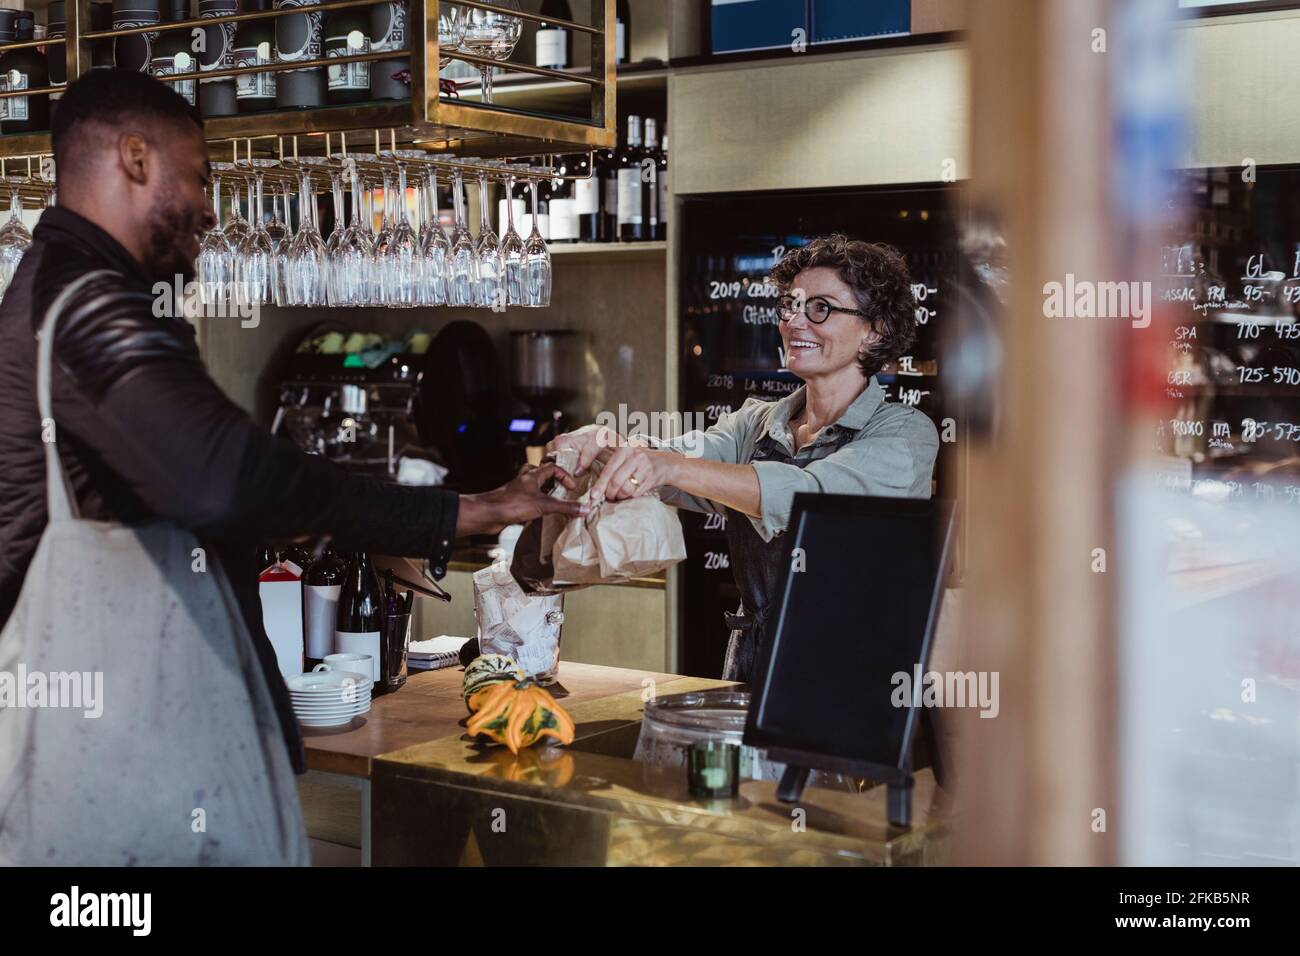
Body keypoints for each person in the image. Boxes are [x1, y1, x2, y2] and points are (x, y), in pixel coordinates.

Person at [0, 70, 585, 777]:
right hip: (126, 744)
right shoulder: (91, 307)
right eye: (200, 177)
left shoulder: (62, 290)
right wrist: (465, 510)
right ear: (135, 158)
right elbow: (227, 479)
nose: (210, 212)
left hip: (113, 721)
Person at [551, 235, 939, 681]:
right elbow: (672, 463)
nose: (795, 321)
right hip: (751, 666)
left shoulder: (905, 435)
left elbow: (807, 498)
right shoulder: (755, 423)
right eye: (790, 306)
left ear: (875, 329)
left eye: (821, 308)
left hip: (853, 674)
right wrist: (601, 444)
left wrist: (667, 465)